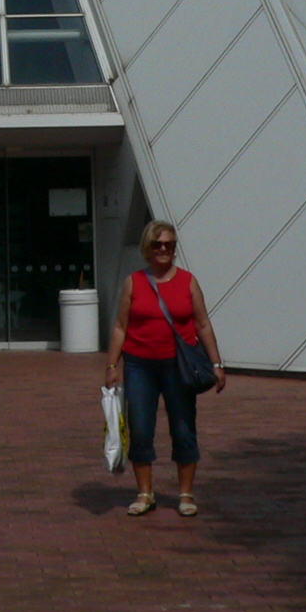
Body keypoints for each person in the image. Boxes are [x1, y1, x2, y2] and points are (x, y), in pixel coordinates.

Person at [102, 219, 226, 516]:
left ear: (174, 248)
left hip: (178, 367)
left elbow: (203, 323)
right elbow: (121, 326)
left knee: (183, 428)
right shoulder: (134, 282)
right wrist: (111, 364)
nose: (163, 249)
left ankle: (186, 494)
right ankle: (145, 493)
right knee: (141, 429)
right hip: (139, 366)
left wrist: (216, 363)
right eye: (157, 244)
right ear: (147, 248)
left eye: (168, 244)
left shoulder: (187, 281)